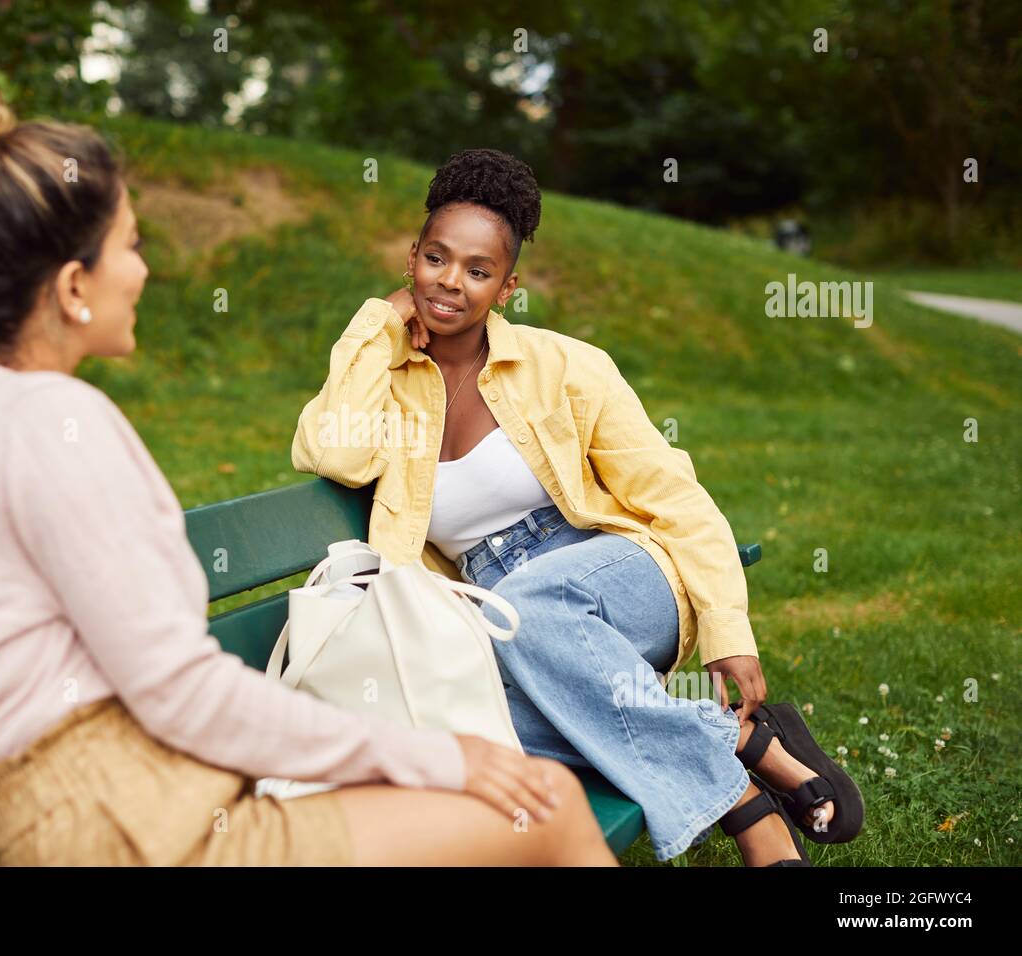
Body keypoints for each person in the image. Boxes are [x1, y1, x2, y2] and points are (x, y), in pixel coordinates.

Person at [0, 84, 612, 866]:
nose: (144, 268)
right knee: (552, 807)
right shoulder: (52, 429)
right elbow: (181, 694)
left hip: (97, 816)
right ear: (71, 288)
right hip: (137, 830)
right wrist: (442, 757)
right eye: (129, 245)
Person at [292, 148, 862, 865]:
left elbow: (676, 498)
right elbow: (329, 452)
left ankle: (750, 815)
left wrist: (728, 628)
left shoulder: (566, 367)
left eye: (478, 270)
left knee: (536, 601)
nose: (451, 283)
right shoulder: (390, 380)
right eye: (436, 259)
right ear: (411, 260)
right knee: (463, 722)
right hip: (499, 616)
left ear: (507, 286)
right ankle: (741, 743)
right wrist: (377, 323)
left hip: (618, 577)